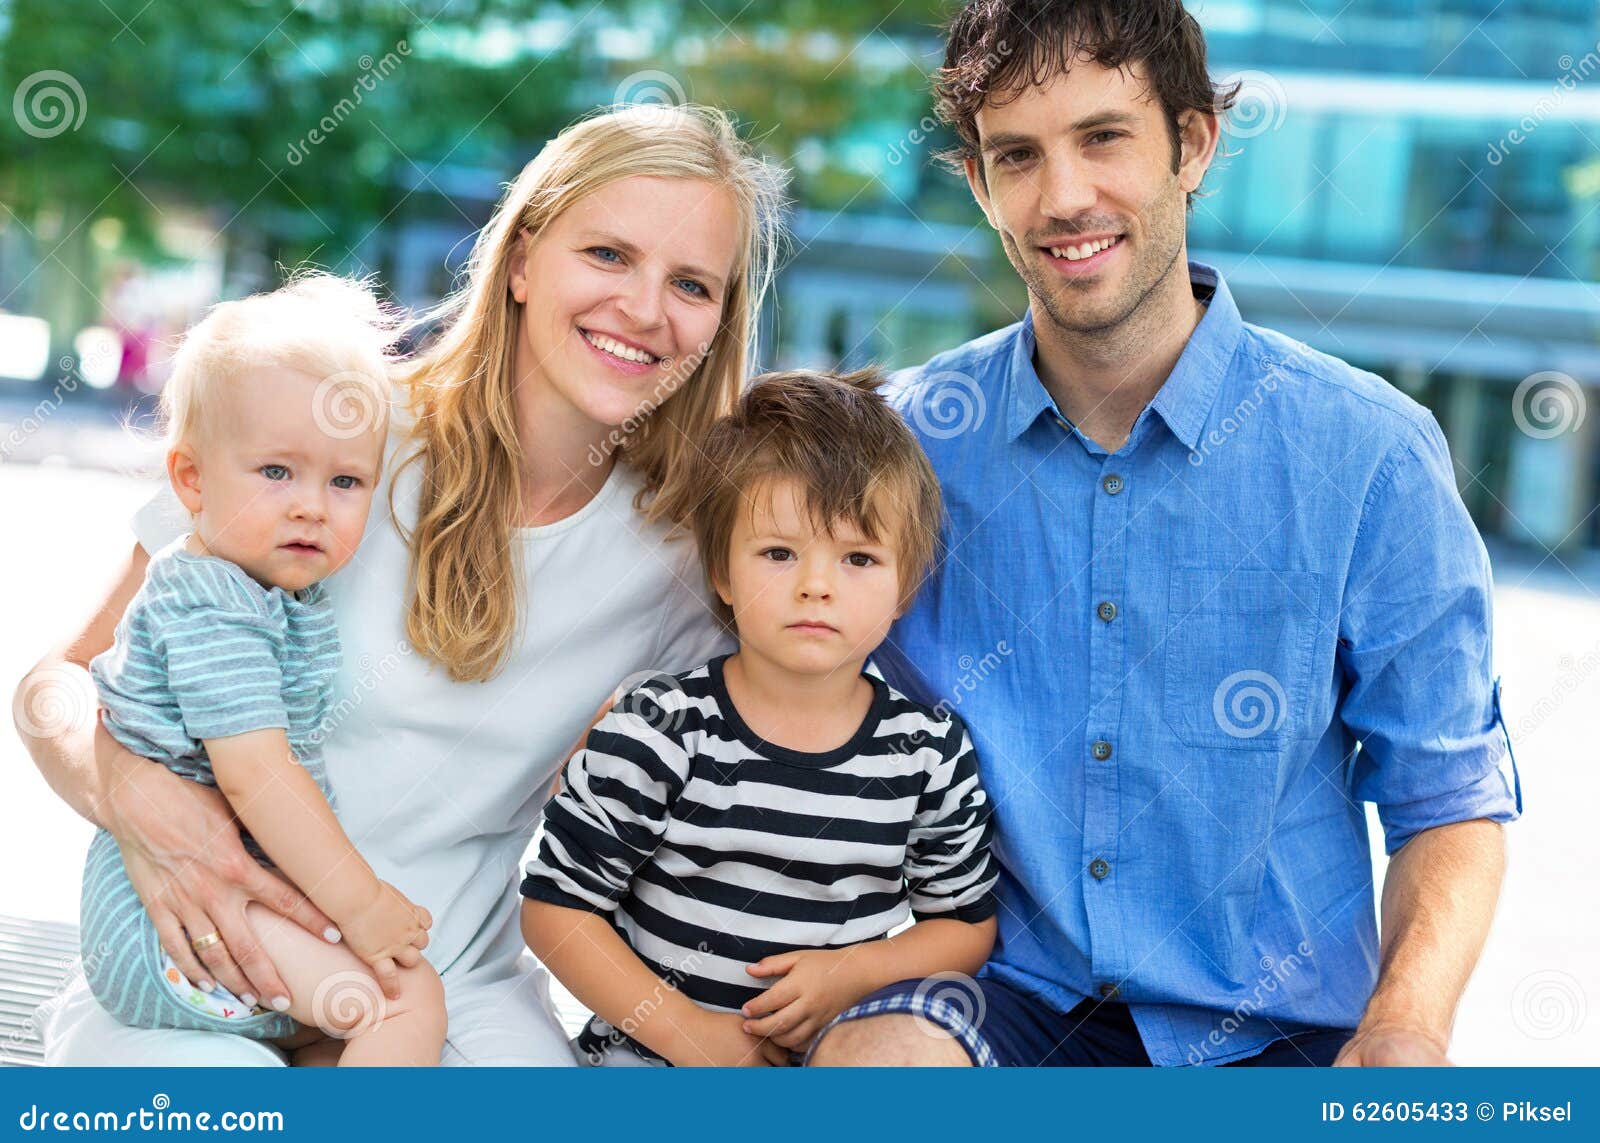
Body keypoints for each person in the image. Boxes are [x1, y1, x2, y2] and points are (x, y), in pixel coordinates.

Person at [808, 0, 1521, 1068]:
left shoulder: (1368, 451)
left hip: (1281, 1034)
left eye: (1102, 137)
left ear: (1191, 142)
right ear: (978, 184)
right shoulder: (900, 447)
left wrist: (1404, 1026)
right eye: (1017, 155)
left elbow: (1446, 798)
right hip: (993, 1002)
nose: (1063, 197)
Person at [14, 103, 786, 1066]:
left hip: (445, 990)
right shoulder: (334, 432)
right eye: (608, 255)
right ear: (521, 259)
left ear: (721, 320)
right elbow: (58, 678)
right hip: (199, 967)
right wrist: (134, 795)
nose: (644, 309)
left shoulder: (686, 557)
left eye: (691, 283)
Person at [520, 370, 998, 1066]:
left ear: (905, 585)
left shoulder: (925, 755)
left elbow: (962, 925)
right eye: (779, 552)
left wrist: (853, 973)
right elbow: (556, 911)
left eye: (859, 557)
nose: (817, 583)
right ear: (721, 570)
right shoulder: (659, 729)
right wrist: (694, 1036)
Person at [81, 275, 446, 1066]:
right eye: (277, 471)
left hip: (212, 912)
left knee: (331, 1036)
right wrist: (363, 903)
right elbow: (255, 775)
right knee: (403, 1002)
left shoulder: (266, 591)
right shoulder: (212, 598)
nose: (312, 504)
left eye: (344, 479)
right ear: (191, 480)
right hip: (169, 923)